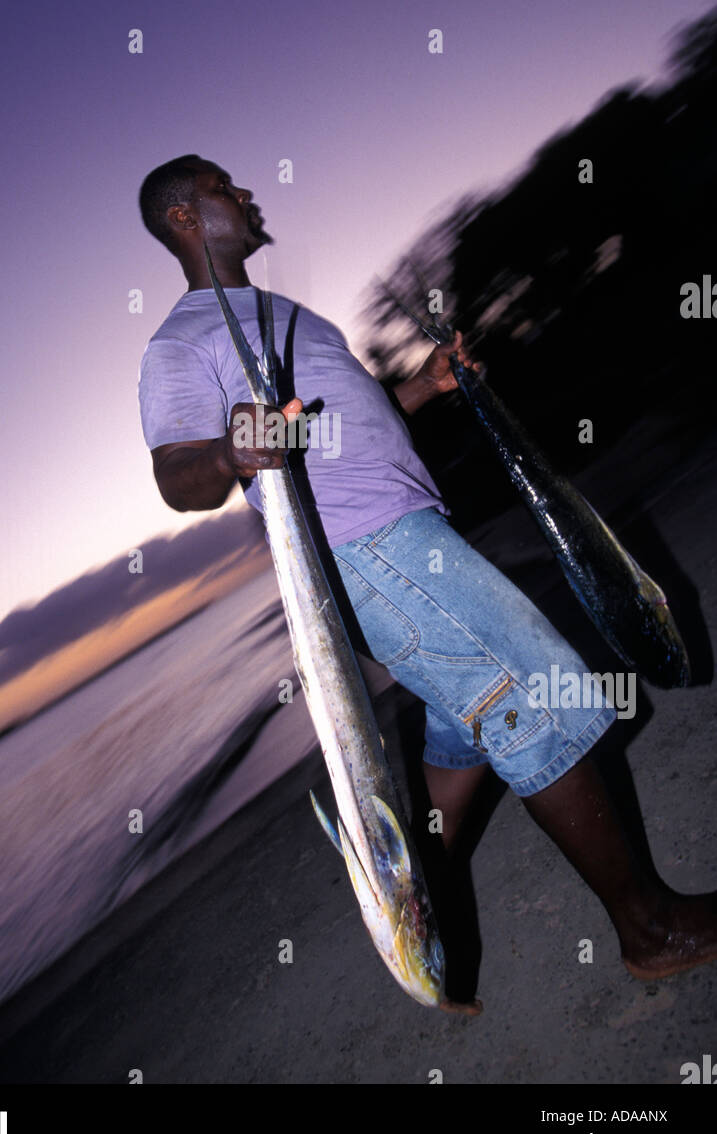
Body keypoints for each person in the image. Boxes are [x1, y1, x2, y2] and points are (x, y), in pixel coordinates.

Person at [136, 153, 717, 1011]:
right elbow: (175, 474)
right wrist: (229, 453)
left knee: (465, 723)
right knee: (533, 695)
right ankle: (648, 929)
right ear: (183, 218)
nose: (245, 193)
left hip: (408, 536)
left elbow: (351, 414)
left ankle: (423, 904)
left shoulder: (283, 314)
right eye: (224, 186)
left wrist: (426, 385)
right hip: (366, 548)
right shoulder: (183, 341)